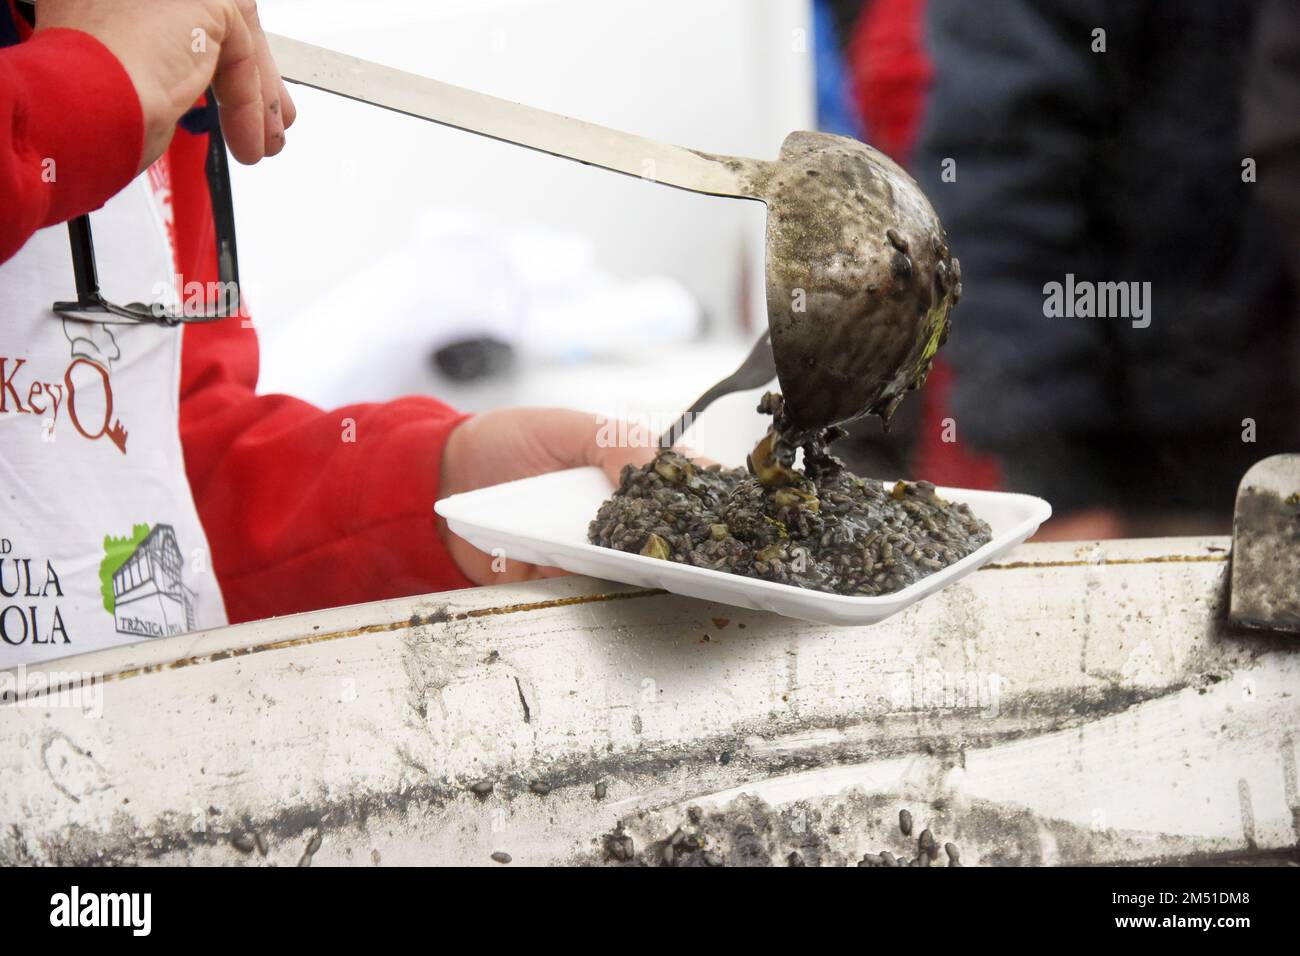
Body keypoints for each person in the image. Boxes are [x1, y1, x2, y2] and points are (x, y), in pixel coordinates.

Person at [0, 0, 646, 665]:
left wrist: (442, 496)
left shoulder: (155, 30)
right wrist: (84, 94)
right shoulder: (119, 54)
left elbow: (170, 454)